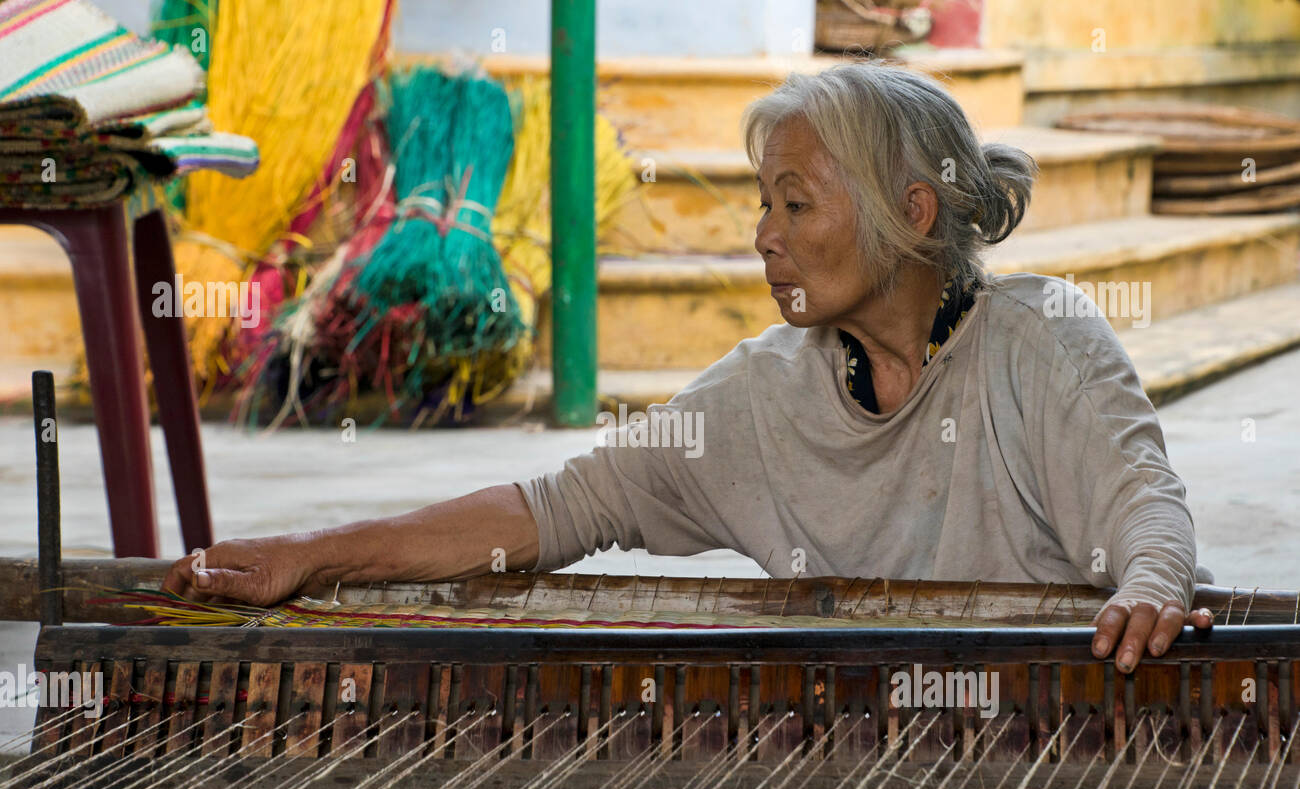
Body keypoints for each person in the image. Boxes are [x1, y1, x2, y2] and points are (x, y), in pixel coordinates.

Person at [163, 61, 1214, 673]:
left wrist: (1153, 583)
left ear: (912, 212)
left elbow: (1141, 507)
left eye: (793, 203)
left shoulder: (1043, 340)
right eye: (763, 203)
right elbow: (552, 508)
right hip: (872, 756)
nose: (763, 234)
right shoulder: (763, 393)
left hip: (1068, 723)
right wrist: (313, 554)